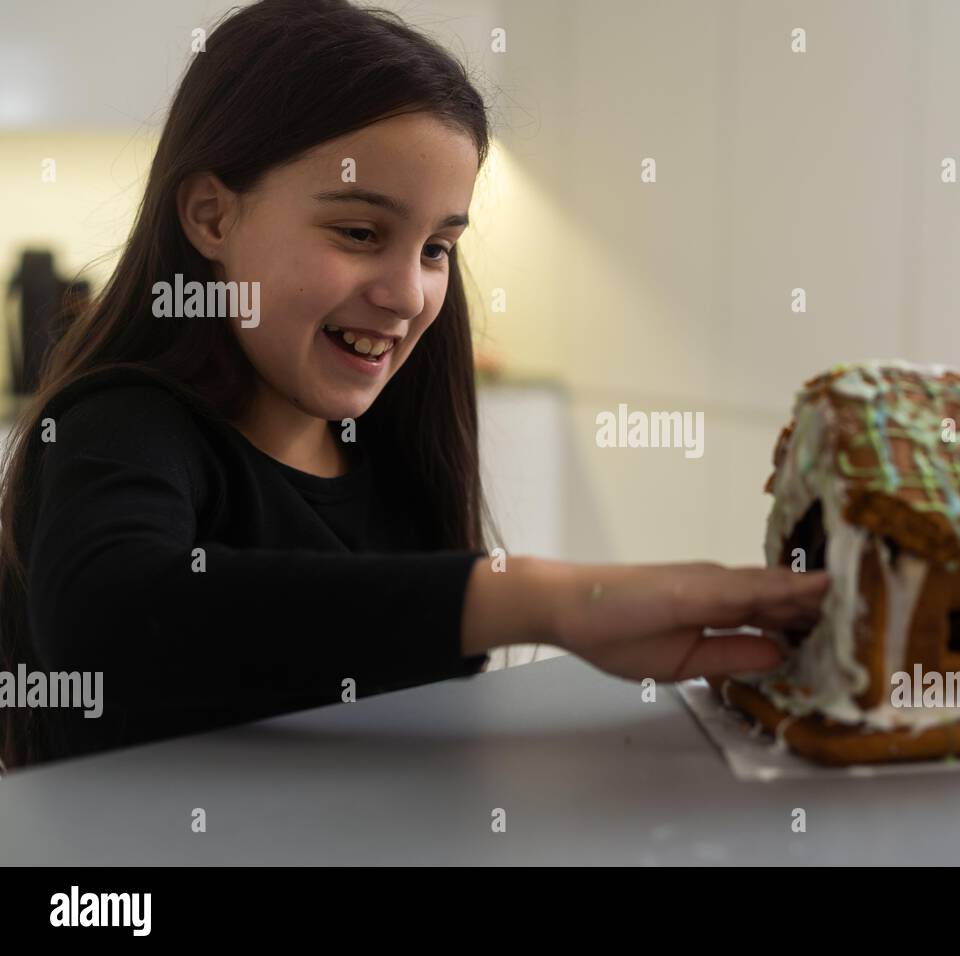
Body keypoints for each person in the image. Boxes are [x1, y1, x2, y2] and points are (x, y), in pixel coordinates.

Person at [0, 0, 828, 769]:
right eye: (360, 231)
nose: (407, 294)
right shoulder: (121, 424)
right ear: (213, 217)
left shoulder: (397, 449)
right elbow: (111, 619)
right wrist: (541, 599)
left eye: (437, 248)